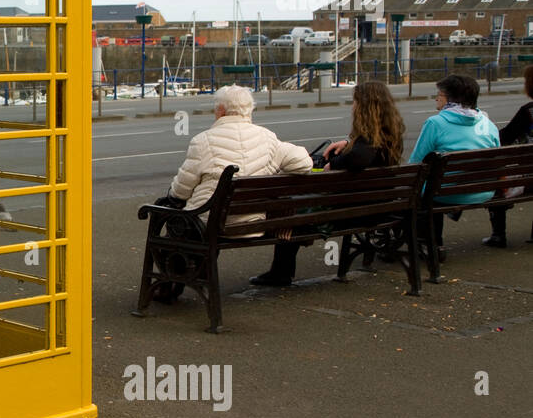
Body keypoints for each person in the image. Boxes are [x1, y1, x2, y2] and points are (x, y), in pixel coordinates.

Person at [151, 85, 312, 301]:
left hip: (211, 225)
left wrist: (172, 198)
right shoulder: (269, 138)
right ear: (249, 111)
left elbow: (181, 191)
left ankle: (173, 285)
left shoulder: (203, 141)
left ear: (220, 111)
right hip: (254, 221)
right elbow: (304, 163)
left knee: (173, 218)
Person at [251, 80, 405, 287]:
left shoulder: (365, 146)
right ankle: (281, 270)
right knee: (297, 208)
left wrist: (333, 165)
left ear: (365, 107)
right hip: (379, 206)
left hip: (353, 212)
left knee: (291, 210)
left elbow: (358, 158)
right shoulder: (391, 137)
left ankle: (281, 272)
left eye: (355, 102)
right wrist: (349, 143)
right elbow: (365, 153)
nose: (353, 106)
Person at [408, 74, 500, 257]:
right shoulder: (488, 124)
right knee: (436, 185)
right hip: (483, 191)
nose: (436, 98)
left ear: (450, 99)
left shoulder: (436, 123)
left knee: (425, 188)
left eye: (439, 94)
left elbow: (416, 162)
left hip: (444, 193)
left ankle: (433, 244)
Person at [484, 64, 533, 247]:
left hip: (528, 178)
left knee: (497, 179)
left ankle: (498, 235)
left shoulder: (528, 111)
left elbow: (502, 138)